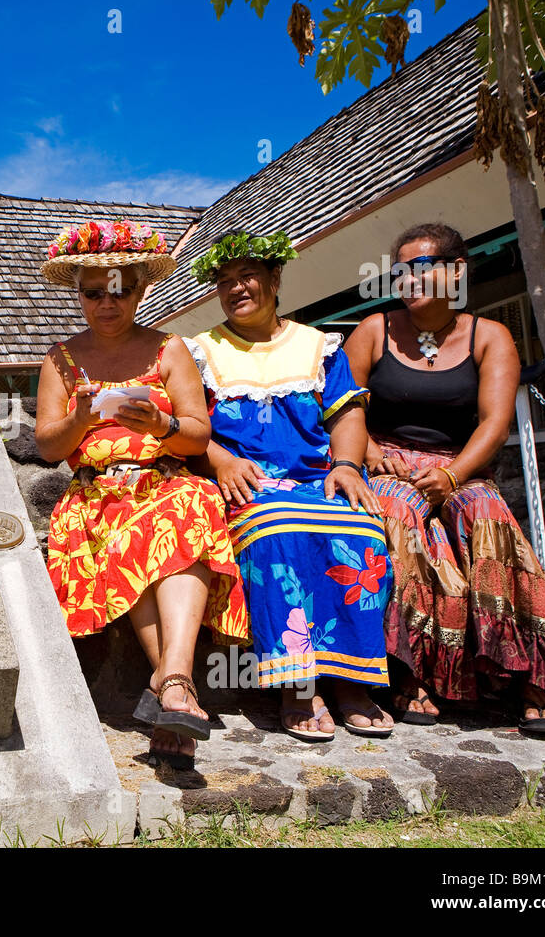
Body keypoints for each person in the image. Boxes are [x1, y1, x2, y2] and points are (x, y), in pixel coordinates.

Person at [343, 222, 545, 734]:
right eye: (400, 270)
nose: (407, 279)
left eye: (420, 267)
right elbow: (342, 407)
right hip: (389, 462)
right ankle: (410, 671)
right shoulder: (374, 330)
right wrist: (372, 452)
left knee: (488, 515)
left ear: (456, 271)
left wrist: (451, 473)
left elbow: (494, 423)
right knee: (396, 511)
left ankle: (532, 674)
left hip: (460, 465)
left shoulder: (490, 336)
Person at [35, 220, 249, 769]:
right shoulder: (59, 359)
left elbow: (198, 433)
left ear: (140, 290)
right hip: (95, 496)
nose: (108, 302)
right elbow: (48, 447)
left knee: (188, 505)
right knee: (134, 528)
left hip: (162, 480)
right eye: (94, 291)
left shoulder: (168, 348)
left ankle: (170, 685)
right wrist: (80, 419)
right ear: (77, 293)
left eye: (122, 289)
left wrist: (159, 424)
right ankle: (178, 685)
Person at [185, 231, 394, 742]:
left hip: (315, 478)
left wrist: (345, 464)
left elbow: (347, 412)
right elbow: (183, 424)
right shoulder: (200, 353)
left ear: (275, 278)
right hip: (247, 484)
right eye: (225, 281)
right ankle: (296, 684)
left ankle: (351, 680)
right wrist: (221, 459)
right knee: (278, 531)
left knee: (361, 533)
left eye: (248, 276)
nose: (236, 288)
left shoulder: (318, 347)